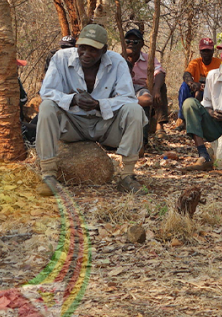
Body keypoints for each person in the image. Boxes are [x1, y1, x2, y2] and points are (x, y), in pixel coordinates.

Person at [37, 24, 146, 193]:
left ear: (104, 50)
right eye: (82, 48)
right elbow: (47, 92)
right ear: (77, 45)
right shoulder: (60, 58)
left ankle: (127, 176)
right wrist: (73, 99)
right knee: (46, 107)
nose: (86, 54)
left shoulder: (117, 62)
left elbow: (128, 98)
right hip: (72, 125)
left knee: (134, 110)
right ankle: (48, 175)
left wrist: (99, 104)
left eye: (93, 50)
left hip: (105, 126)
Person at [123, 28, 166, 119]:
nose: (131, 44)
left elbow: (160, 71)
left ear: (141, 44)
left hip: (144, 89)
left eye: (135, 42)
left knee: (161, 85)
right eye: (128, 41)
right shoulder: (118, 59)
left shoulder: (149, 58)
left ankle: (160, 123)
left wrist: (156, 89)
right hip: (124, 90)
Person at [179, 37, 221, 111]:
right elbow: (186, 74)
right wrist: (191, 83)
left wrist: (201, 88)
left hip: (213, 92)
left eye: (208, 50)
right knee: (184, 86)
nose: (206, 53)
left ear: (213, 51)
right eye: (203, 51)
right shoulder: (195, 62)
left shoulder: (219, 63)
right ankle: (182, 116)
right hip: (195, 90)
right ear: (200, 51)